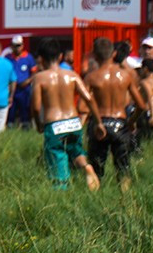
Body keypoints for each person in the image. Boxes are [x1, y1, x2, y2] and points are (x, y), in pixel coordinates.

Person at [30, 38, 104, 190]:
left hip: (54, 123)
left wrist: (39, 124)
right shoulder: (72, 75)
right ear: (60, 57)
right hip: (74, 121)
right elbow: (89, 98)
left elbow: (36, 107)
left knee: (57, 156)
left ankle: (62, 190)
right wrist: (98, 121)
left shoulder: (39, 78)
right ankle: (86, 167)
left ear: (41, 59)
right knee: (76, 151)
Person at [83, 38, 145, 188]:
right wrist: (131, 122)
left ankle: (93, 199)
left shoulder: (92, 77)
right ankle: (127, 202)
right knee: (123, 169)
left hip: (100, 124)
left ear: (94, 56)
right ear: (114, 53)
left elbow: (81, 106)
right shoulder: (126, 76)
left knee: (96, 168)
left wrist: (96, 119)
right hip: (120, 124)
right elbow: (141, 105)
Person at [8, 37, 36, 128]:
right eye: (15, 46)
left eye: (19, 46)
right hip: (12, 89)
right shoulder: (8, 58)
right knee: (11, 111)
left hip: (24, 90)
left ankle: (26, 127)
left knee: (25, 110)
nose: (17, 48)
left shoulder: (28, 57)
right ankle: (10, 128)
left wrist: (27, 81)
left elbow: (34, 72)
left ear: (23, 45)